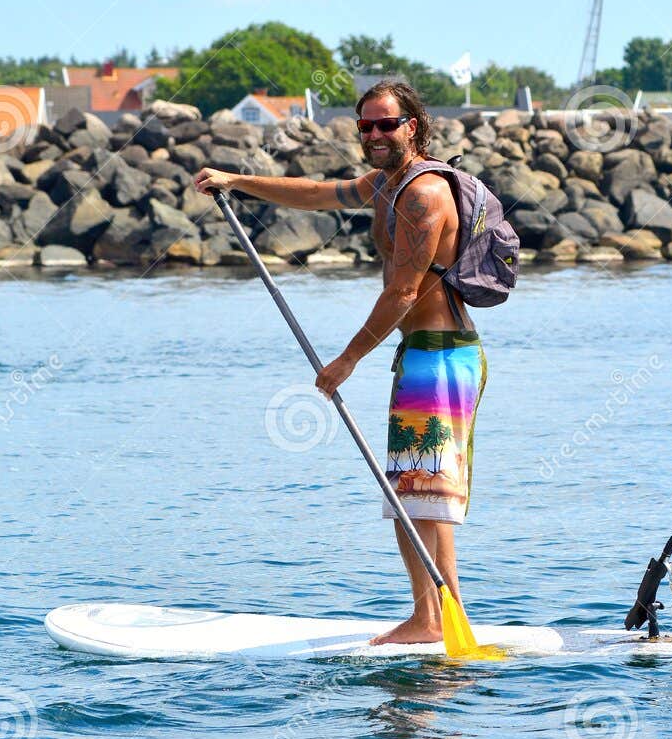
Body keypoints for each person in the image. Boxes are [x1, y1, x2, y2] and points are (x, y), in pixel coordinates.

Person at [195, 80, 486, 646]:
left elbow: (403, 292)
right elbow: (317, 193)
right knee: (419, 493)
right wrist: (238, 182)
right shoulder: (385, 185)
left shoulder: (425, 194)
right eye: (365, 125)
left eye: (386, 124)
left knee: (418, 494)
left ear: (414, 127)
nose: (375, 134)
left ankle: (433, 620)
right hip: (423, 357)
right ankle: (441, 616)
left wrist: (347, 360)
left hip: (442, 359)